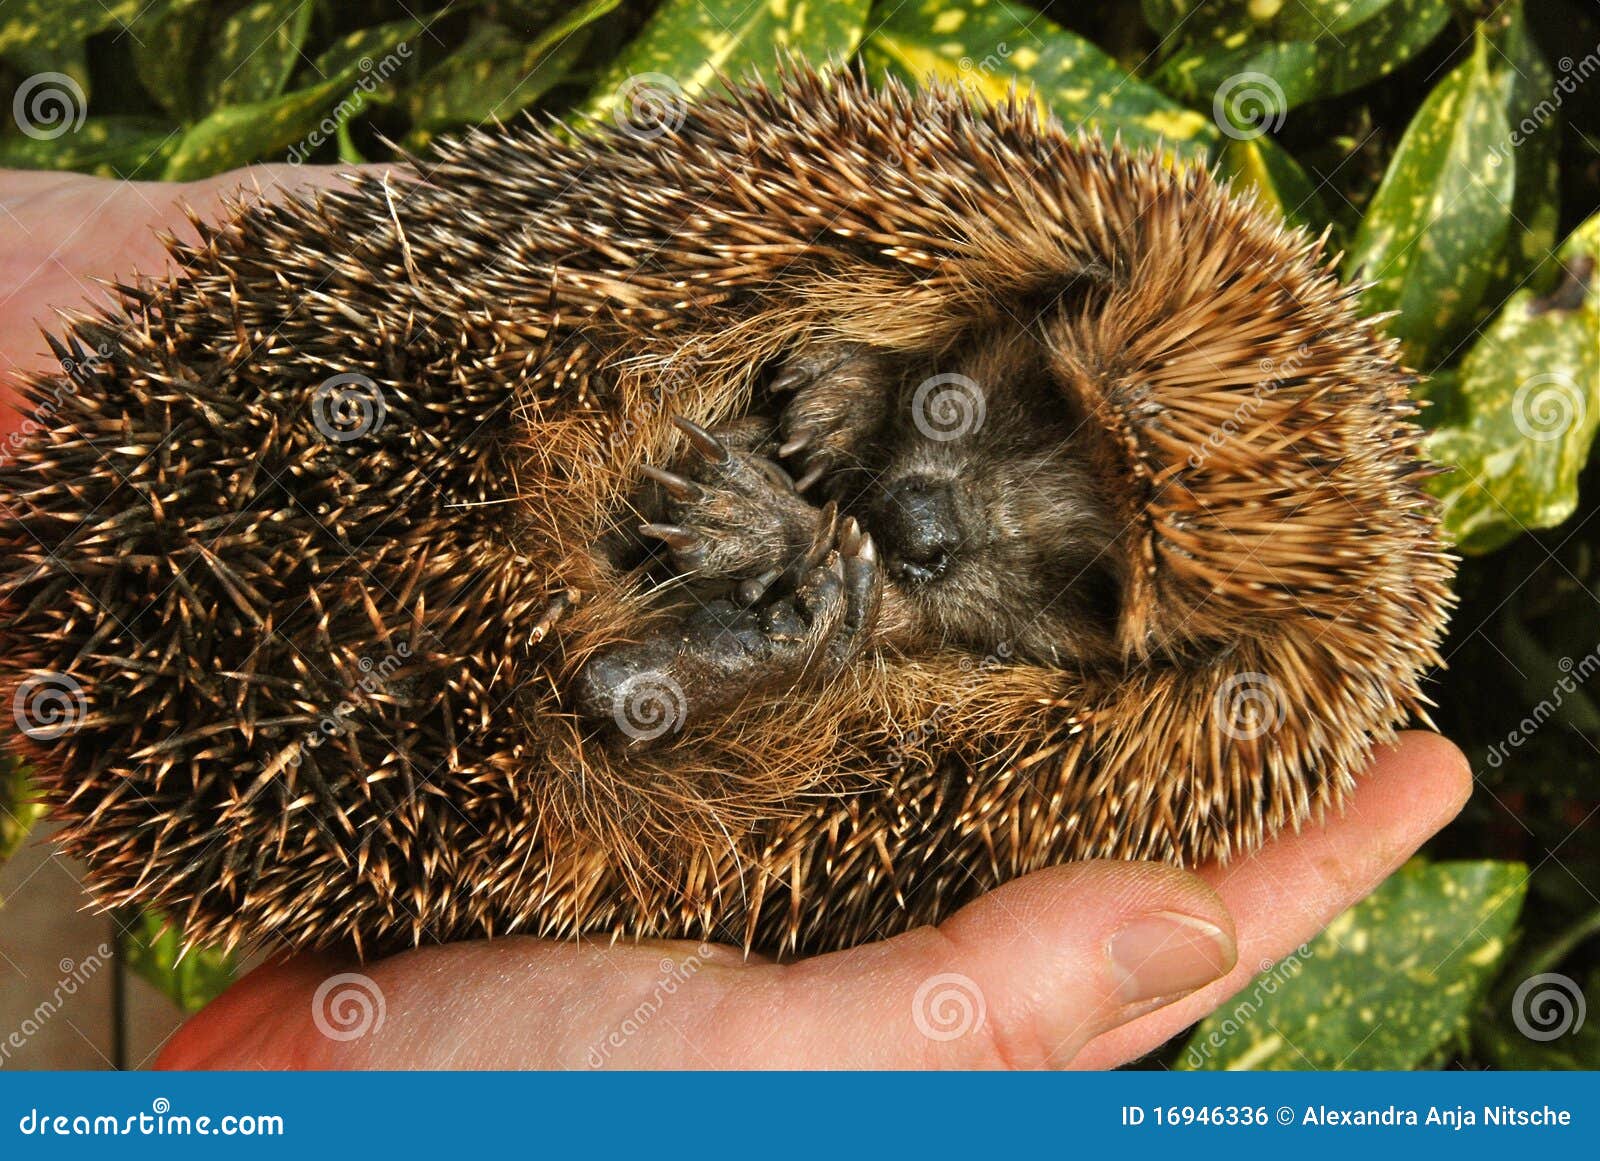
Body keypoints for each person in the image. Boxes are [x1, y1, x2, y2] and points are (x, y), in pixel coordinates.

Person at [0, 166, 1473, 1069]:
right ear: (1043, 301)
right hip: (438, 446)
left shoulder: (1092, 743)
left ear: (1146, 672)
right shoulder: (872, 276)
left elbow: (892, 787)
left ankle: (702, 667)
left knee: (680, 772)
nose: (953, 516)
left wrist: (831, 607)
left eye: (1081, 582)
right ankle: (698, 662)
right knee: (562, 396)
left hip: (562, 731)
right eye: (1034, 409)